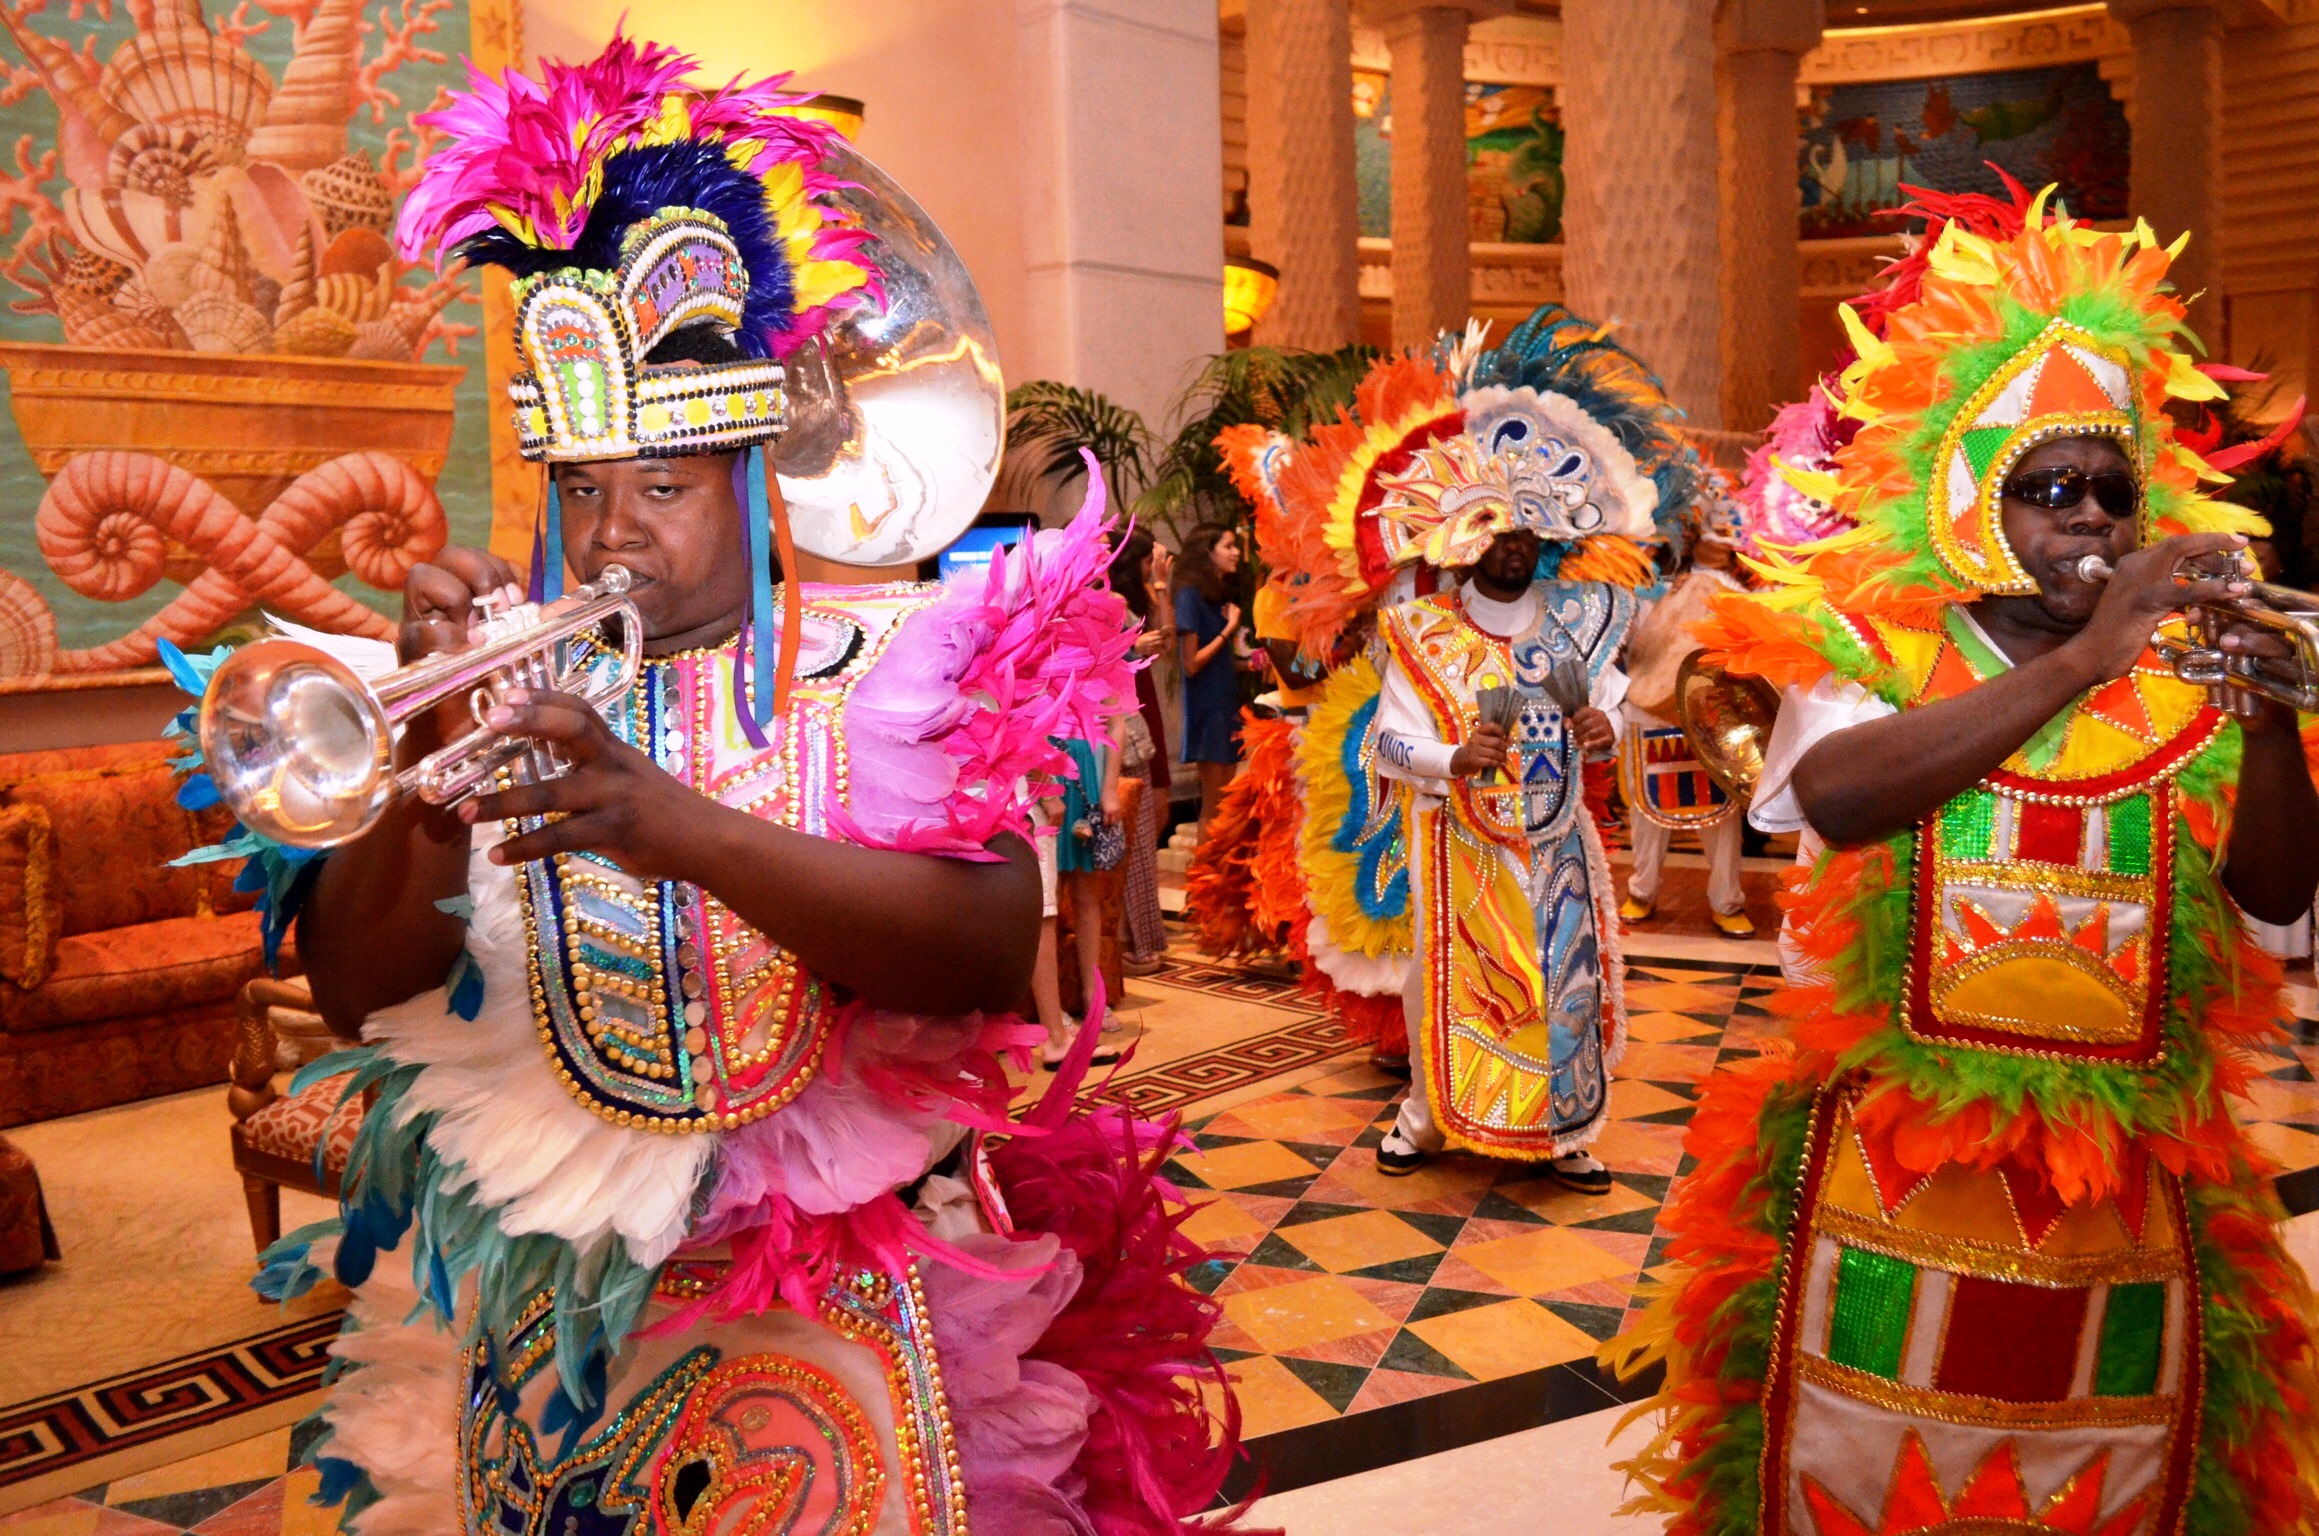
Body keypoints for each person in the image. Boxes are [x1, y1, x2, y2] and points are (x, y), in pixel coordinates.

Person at [199, 38, 1252, 1536]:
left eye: (664, 490)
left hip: (824, 1321)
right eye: (580, 489)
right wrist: (427, 785)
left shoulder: (887, 666)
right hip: (547, 1330)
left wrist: (676, 825)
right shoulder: (515, 680)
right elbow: (365, 998)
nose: (614, 535)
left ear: (753, 487)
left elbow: (979, 957)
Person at [1615, 196, 2319, 1534]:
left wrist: (2269, 713)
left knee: (2099, 1488)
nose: (2089, 521)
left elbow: (2274, 897)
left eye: (2111, 490)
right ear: (1972, 494)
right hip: (1892, 1185)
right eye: (2050, 488)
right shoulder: (1877, 648)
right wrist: (2080, 661)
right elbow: (1833, 795)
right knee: (1871, 1479)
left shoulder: (2177, 681)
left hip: (2119, 1190)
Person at [1364, 305, 1695, 1193]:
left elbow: (1619, 709)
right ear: (1465, 544)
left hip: (1555, 843)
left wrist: (1604, 726)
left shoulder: (1580, 623)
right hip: (1456, 845)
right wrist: (1450, 760)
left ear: (1542, 545)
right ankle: (1424, 1121)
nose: (1511, 551)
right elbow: (1388, 742)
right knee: (1441, 984)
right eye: (1495, 537)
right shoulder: (1420, 632)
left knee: (1565, 984)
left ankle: (1568, 1131)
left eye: (1524, 539)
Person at [1618, 475, 1753, 937]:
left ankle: (1727, 900)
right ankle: (1642, 891)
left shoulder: (1740, 598)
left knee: (1723, 816)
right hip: (1647, 715)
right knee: (1645, 811)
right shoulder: (1649, 593)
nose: (1719, 545)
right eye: (1711, 535)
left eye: (1727, 539)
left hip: (1712, 719)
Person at [1030, 723, 1126, 1068]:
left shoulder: (1106, 668)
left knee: (1086, 892)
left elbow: (1117, 721)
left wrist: (1110, 788)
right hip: (1045, 766)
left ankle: (1093, 995)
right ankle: (1051, 1012)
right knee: (1046, 898)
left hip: (1086, 770)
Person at [1109, 529, 1173, 973]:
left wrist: (1164, 585)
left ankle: (1141, 935)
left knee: (1152, 817)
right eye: (1152, 557)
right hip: (1121, 715)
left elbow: (1165, 640)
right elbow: (1093, 656)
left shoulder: (1133, 598)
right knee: (1133, 829)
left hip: (1137, 710)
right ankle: (1130, 939)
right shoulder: (1108, 601)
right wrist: (1131, 647)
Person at [1174, 521, 1249, 837]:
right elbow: (1191, 663)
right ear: (1207, 553)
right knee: (1214, 805)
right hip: (1208, 711)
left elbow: (1218, 661)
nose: (1236, 553)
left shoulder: (1218, 597)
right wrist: (1228, 629)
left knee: (1228, 804)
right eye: (1228, 546)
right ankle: (1202, 884)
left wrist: (1250, 663)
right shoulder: (1189, 595)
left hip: (1226, 704)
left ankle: (1218, 881)